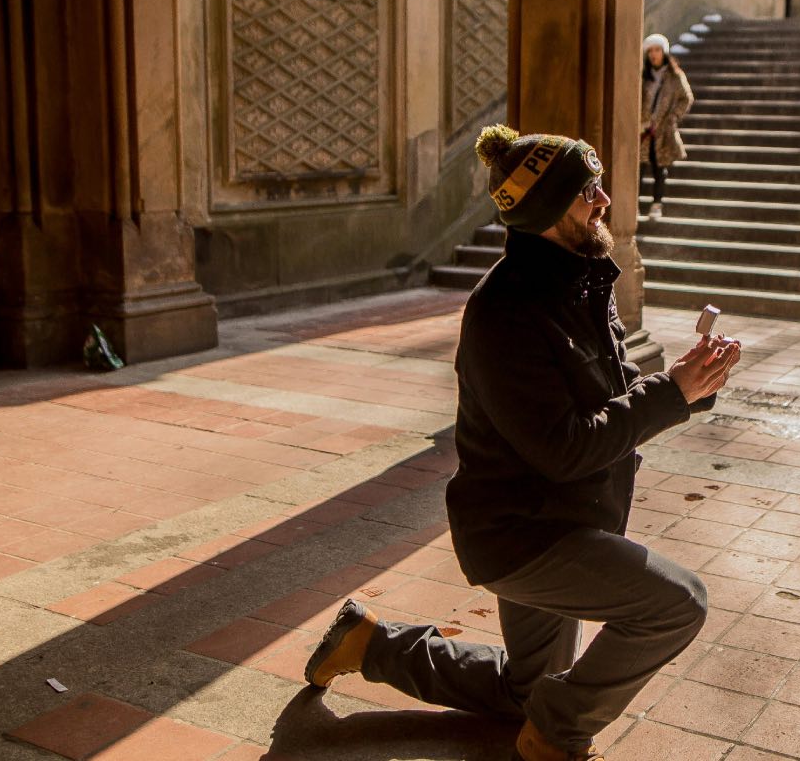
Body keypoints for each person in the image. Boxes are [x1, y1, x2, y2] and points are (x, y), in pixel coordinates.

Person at [303, 125, 742, 761]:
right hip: (523, 538)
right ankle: (558, 732)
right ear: (545, 207)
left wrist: (690, 384)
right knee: (676, 604)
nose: (604, 200)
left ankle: (370, 644)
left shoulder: (579, 280)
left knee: (524, 688)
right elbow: (564, 448)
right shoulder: (505, 312)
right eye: (587, 188)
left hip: (568, 519)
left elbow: (612, 399)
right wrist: (669, 394)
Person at [640, 34, 693, 223]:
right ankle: (634, 206)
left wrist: (672, 117)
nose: (654, 54)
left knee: (659, 167)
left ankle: (656, 204)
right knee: (638, 167)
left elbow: (686, 98)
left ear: (664, 51)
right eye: (650, 51)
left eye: (657, 50)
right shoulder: (644, 76)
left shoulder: (674, 76)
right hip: (643, 130)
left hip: (662, 129)